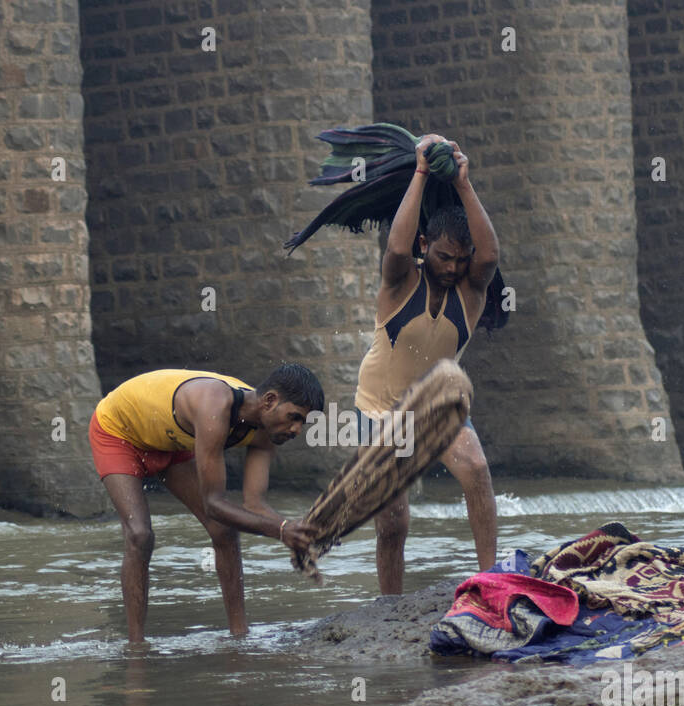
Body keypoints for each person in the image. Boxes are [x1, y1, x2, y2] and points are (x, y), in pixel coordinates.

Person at [355, 133, 501, 594]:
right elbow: (396, 250)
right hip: (380, 413)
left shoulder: (471, 292)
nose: (452, 267)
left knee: (475, 467)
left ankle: (490, 579)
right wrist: (420, 172)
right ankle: (389, 605)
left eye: (461, 260)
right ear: (425, 245)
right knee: (393, 522)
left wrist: (463, 183)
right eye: (443, 256)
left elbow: (490, 254)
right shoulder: (400, 281)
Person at [90, 365, 322, 639]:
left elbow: (255, 505)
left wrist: (298, 531)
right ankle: (136, 647)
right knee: (140, 535)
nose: (296, 430)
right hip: (119, 432)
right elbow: (214, 504)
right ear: (269, 400)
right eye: (293, 417)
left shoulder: (266, 433)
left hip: (170, 440)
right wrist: (282, 531)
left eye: (302, 423)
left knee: (223, 530)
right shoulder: (214, 406)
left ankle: (239, 635)